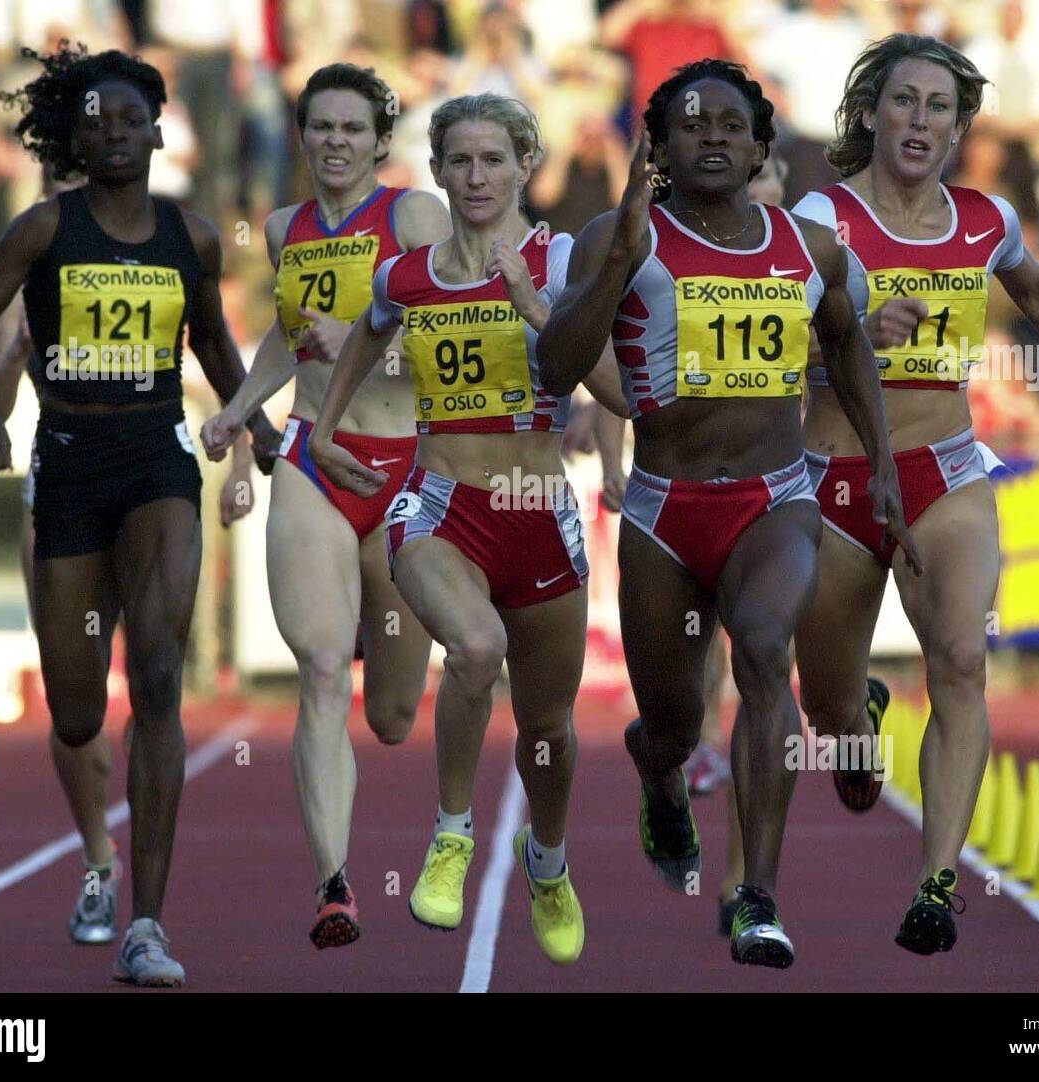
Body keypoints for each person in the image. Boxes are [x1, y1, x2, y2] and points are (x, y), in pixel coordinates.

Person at [791, 33, 1039, 956]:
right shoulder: (818, 218)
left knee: (961, 657)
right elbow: (770, 351)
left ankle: (936, 883)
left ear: (960, 128)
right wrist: (849, 332)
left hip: (945, 470)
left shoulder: (982, 219)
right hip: (834, 479)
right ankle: (856, 721)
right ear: (872, 114)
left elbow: (1036, 291)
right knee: (830, 713)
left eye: (940, 108)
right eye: (905, 103)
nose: (921, 121)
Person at [537, 59, 915, 968]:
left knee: (764, 652)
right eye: (692, 125)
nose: (713, 137)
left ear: (758, 146)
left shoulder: (809, 247)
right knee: (670, 721)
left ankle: (757, 896)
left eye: (731, 126)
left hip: (777, 496)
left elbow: (848, 343)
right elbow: (555, 369)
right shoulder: (615, 237)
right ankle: (658, 769)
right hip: (666, 512)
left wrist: (883, 466)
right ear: (659, 146)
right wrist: (623, 256)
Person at [0, 44, 280, 987]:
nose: (117, 134)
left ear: (160, 131)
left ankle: (147, 926)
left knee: (161, 675)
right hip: (69, 466)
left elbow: (213, 345)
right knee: (81, 713)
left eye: (132, 120)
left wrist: (253, 427)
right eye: (97, 121)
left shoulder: (193, 236)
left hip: (159, 463)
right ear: (73, 137)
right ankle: (105, 854)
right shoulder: (44, 231)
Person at [306, 92, 628, 965]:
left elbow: (622, 392)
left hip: (539, 514)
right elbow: (370, 337)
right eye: (460, 161)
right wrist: (325, 435)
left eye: (493, 161)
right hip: (441, 503)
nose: (476, 177)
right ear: (438, 171)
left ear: (526, 167)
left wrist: (539, 311)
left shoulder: (558, 259)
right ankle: (452, 834)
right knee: (475, 649)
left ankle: (549, 864)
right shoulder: (406, 273)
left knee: (549, 729)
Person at [202, 63, 452, 948]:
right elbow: (288, 328)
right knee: (315, 673)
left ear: (379, 141)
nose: (336, 142)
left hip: (404, 468)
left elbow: (458, 323)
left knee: (388, 719)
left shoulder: (415, 216)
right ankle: (335, 884)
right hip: (313, 454)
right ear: (302, 135)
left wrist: (374, 344)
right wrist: (241, 408)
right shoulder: (282, 228)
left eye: (353, 128)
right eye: (321, 127)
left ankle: (366, 615)